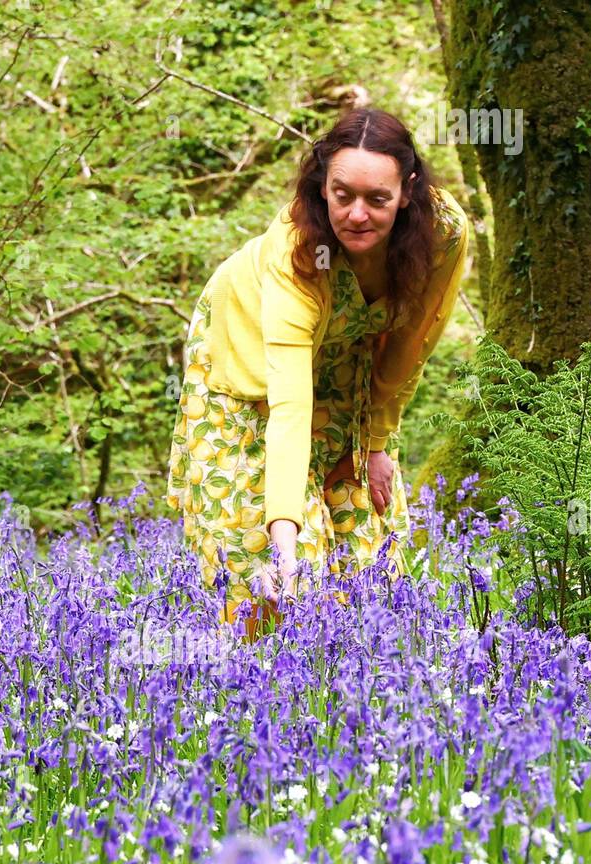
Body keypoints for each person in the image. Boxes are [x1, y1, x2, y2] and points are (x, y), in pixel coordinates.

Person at [165, 107, 470, 638]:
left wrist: (377, 441)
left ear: (408, 190)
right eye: (342, 194)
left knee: (365, 542)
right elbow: (288, 410)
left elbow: (409, 344)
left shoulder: (441, 234)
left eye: (378, 199)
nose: (356, 215)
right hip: (251, 367)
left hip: (345, 353)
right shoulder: (299, 255)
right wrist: (283, 541)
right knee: (266, 555)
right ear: (321, 183)